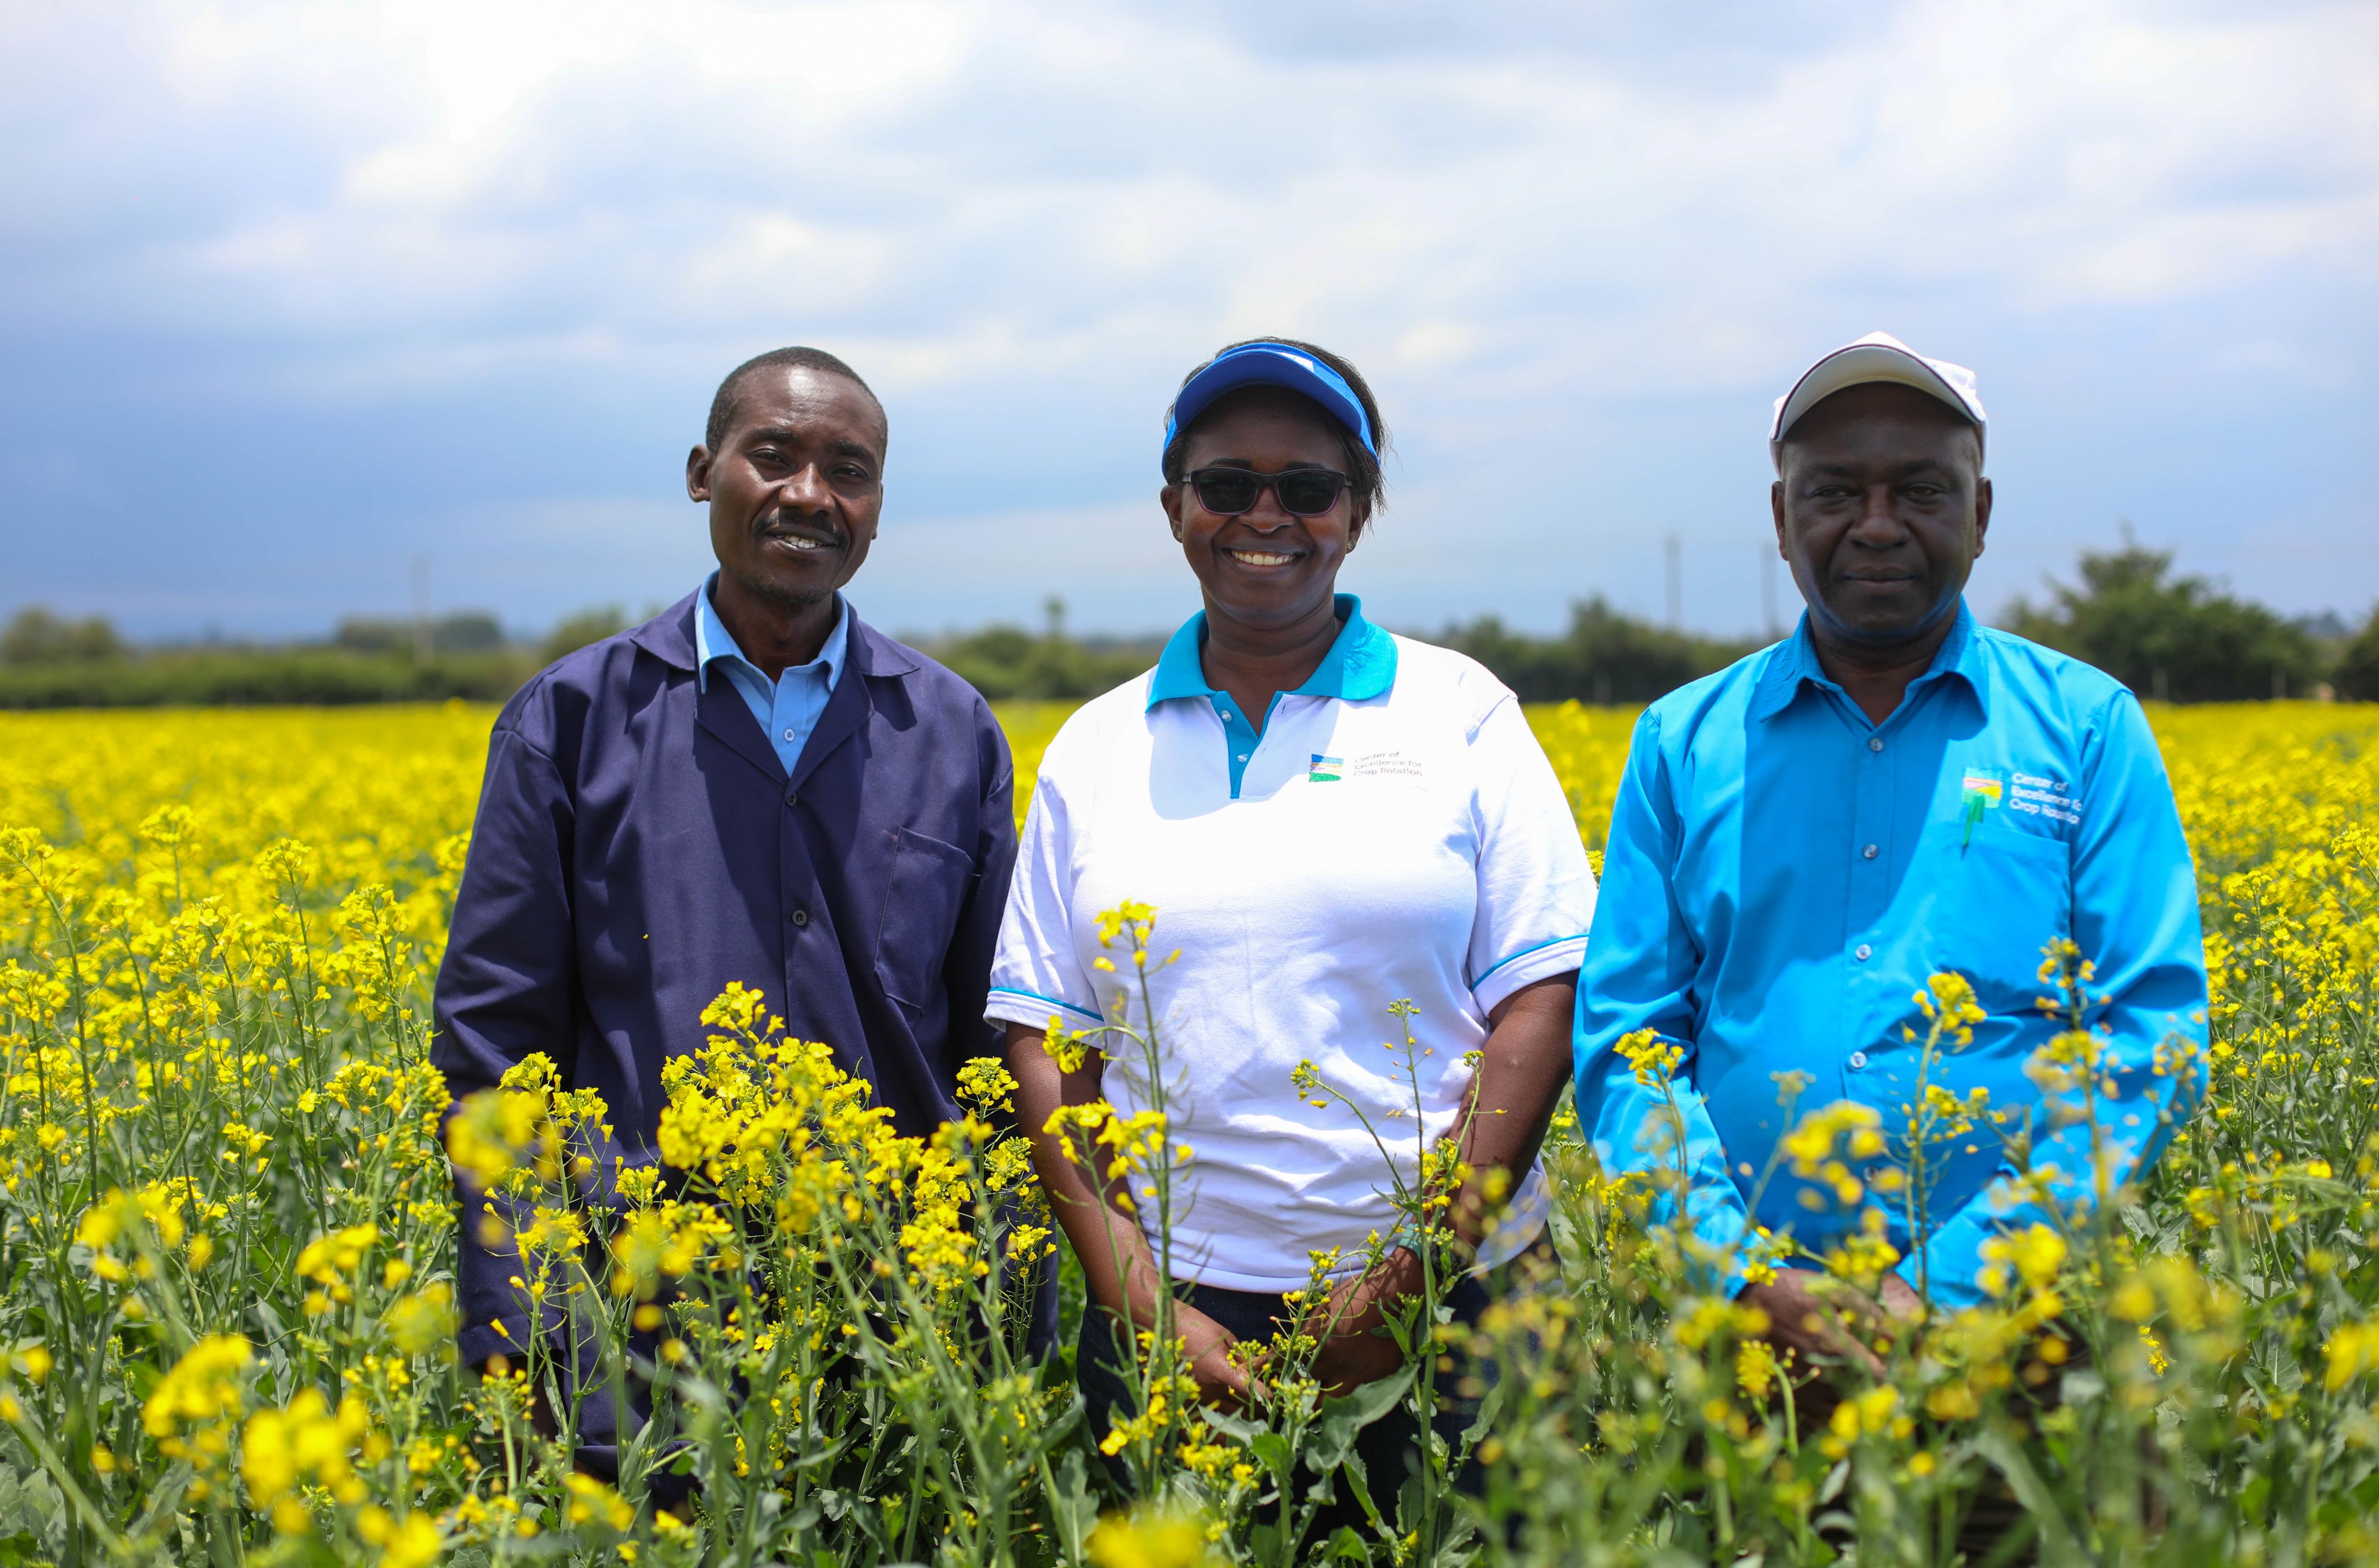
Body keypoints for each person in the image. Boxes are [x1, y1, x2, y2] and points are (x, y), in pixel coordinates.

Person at [989, 339, 1596, 1503]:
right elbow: (1046, 1045)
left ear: (1357, 512)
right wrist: (1140, 1304)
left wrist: (1417, 1269)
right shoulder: (1094, 746)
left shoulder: (1460, 711)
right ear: (1174, 506)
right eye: (1225, 484)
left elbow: (1541, 995)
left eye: (1307, 487)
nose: (1262, 514)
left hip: (1448, 1301)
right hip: (1173, 1311)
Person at [432, 346, 1022, 1480]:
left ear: (876, 511)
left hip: (892, 1314)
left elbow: (995, 1038)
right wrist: (526, 1330)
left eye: (846, 469)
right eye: (774, 456)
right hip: (639, 1318)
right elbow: (494, 1049)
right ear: (704, 473)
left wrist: (993, 1319)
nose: (809, 492)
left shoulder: (951, 729)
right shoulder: (569, 719)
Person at [1575, 332, 2208, 1370]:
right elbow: (1627, 1039)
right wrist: (1744, 1276)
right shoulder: (1682, 742)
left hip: (2016, 1320)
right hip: (1747, 1341)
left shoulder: (2089, 728)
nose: (1876, 526)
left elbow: (2151, 1033)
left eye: (1920, 489)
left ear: (1982, 514)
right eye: (1834, 492)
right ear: (1783, 521)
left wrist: (1957, 1283)